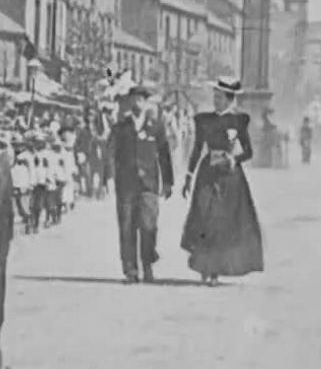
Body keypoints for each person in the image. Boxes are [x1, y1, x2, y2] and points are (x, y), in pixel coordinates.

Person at [180, 78, 263, 286]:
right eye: (214, 97)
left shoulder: (239, 121)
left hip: (230, 177)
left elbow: (249, 151)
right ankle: (204, 266)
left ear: (229, 99)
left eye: (219, 98)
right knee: (204, 217)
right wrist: (189, 176)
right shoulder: (203, 120)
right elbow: (198, 149)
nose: (215, 101)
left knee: (222, 222)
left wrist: (234, 159)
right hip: (207, 173)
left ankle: (214, 269)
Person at [109, 86, 173, 284]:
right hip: (126, 185)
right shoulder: (121, 127)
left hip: (149, 184)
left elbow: (164, 154)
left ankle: (147, 265)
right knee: (127, 227)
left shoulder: (156, 126)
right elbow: (111, 154)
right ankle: (130, 270)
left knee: (148, 226)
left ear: (146, 103)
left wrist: (168, 181)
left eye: (141, 100)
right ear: (129, 103)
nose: (137, 103)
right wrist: (110, 176)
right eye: (134, 99)